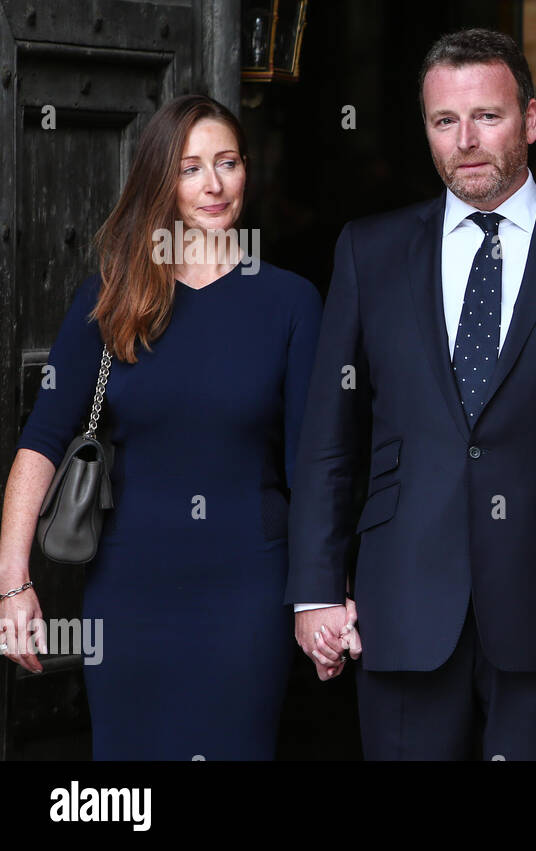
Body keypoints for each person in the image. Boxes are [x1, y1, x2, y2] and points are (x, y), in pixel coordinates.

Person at [286, 28, 536, 760]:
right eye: (444, 121)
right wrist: (314, 587)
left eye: (487, 117)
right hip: (400, 602)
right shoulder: (366, 251)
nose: (466, 140)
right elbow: (329, 436)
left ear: (529, 120)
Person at [0, 95, 322, 759]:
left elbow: (312, 465)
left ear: (245, 172)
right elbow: (42, 438)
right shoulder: (110, 295)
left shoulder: (289, 301)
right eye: (190, 167)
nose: (212, 184)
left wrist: (326, 594)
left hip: (247, 590)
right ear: (161, 182)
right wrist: (13, 581)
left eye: (226, 163)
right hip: (129, 588)